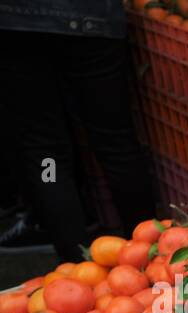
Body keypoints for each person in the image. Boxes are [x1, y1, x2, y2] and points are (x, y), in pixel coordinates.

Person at [0, 1, 156, 260]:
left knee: (44, 152)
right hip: (90, 15)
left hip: (16, 21)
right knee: (116, 142)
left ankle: (76, 265)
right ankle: (149, 254)